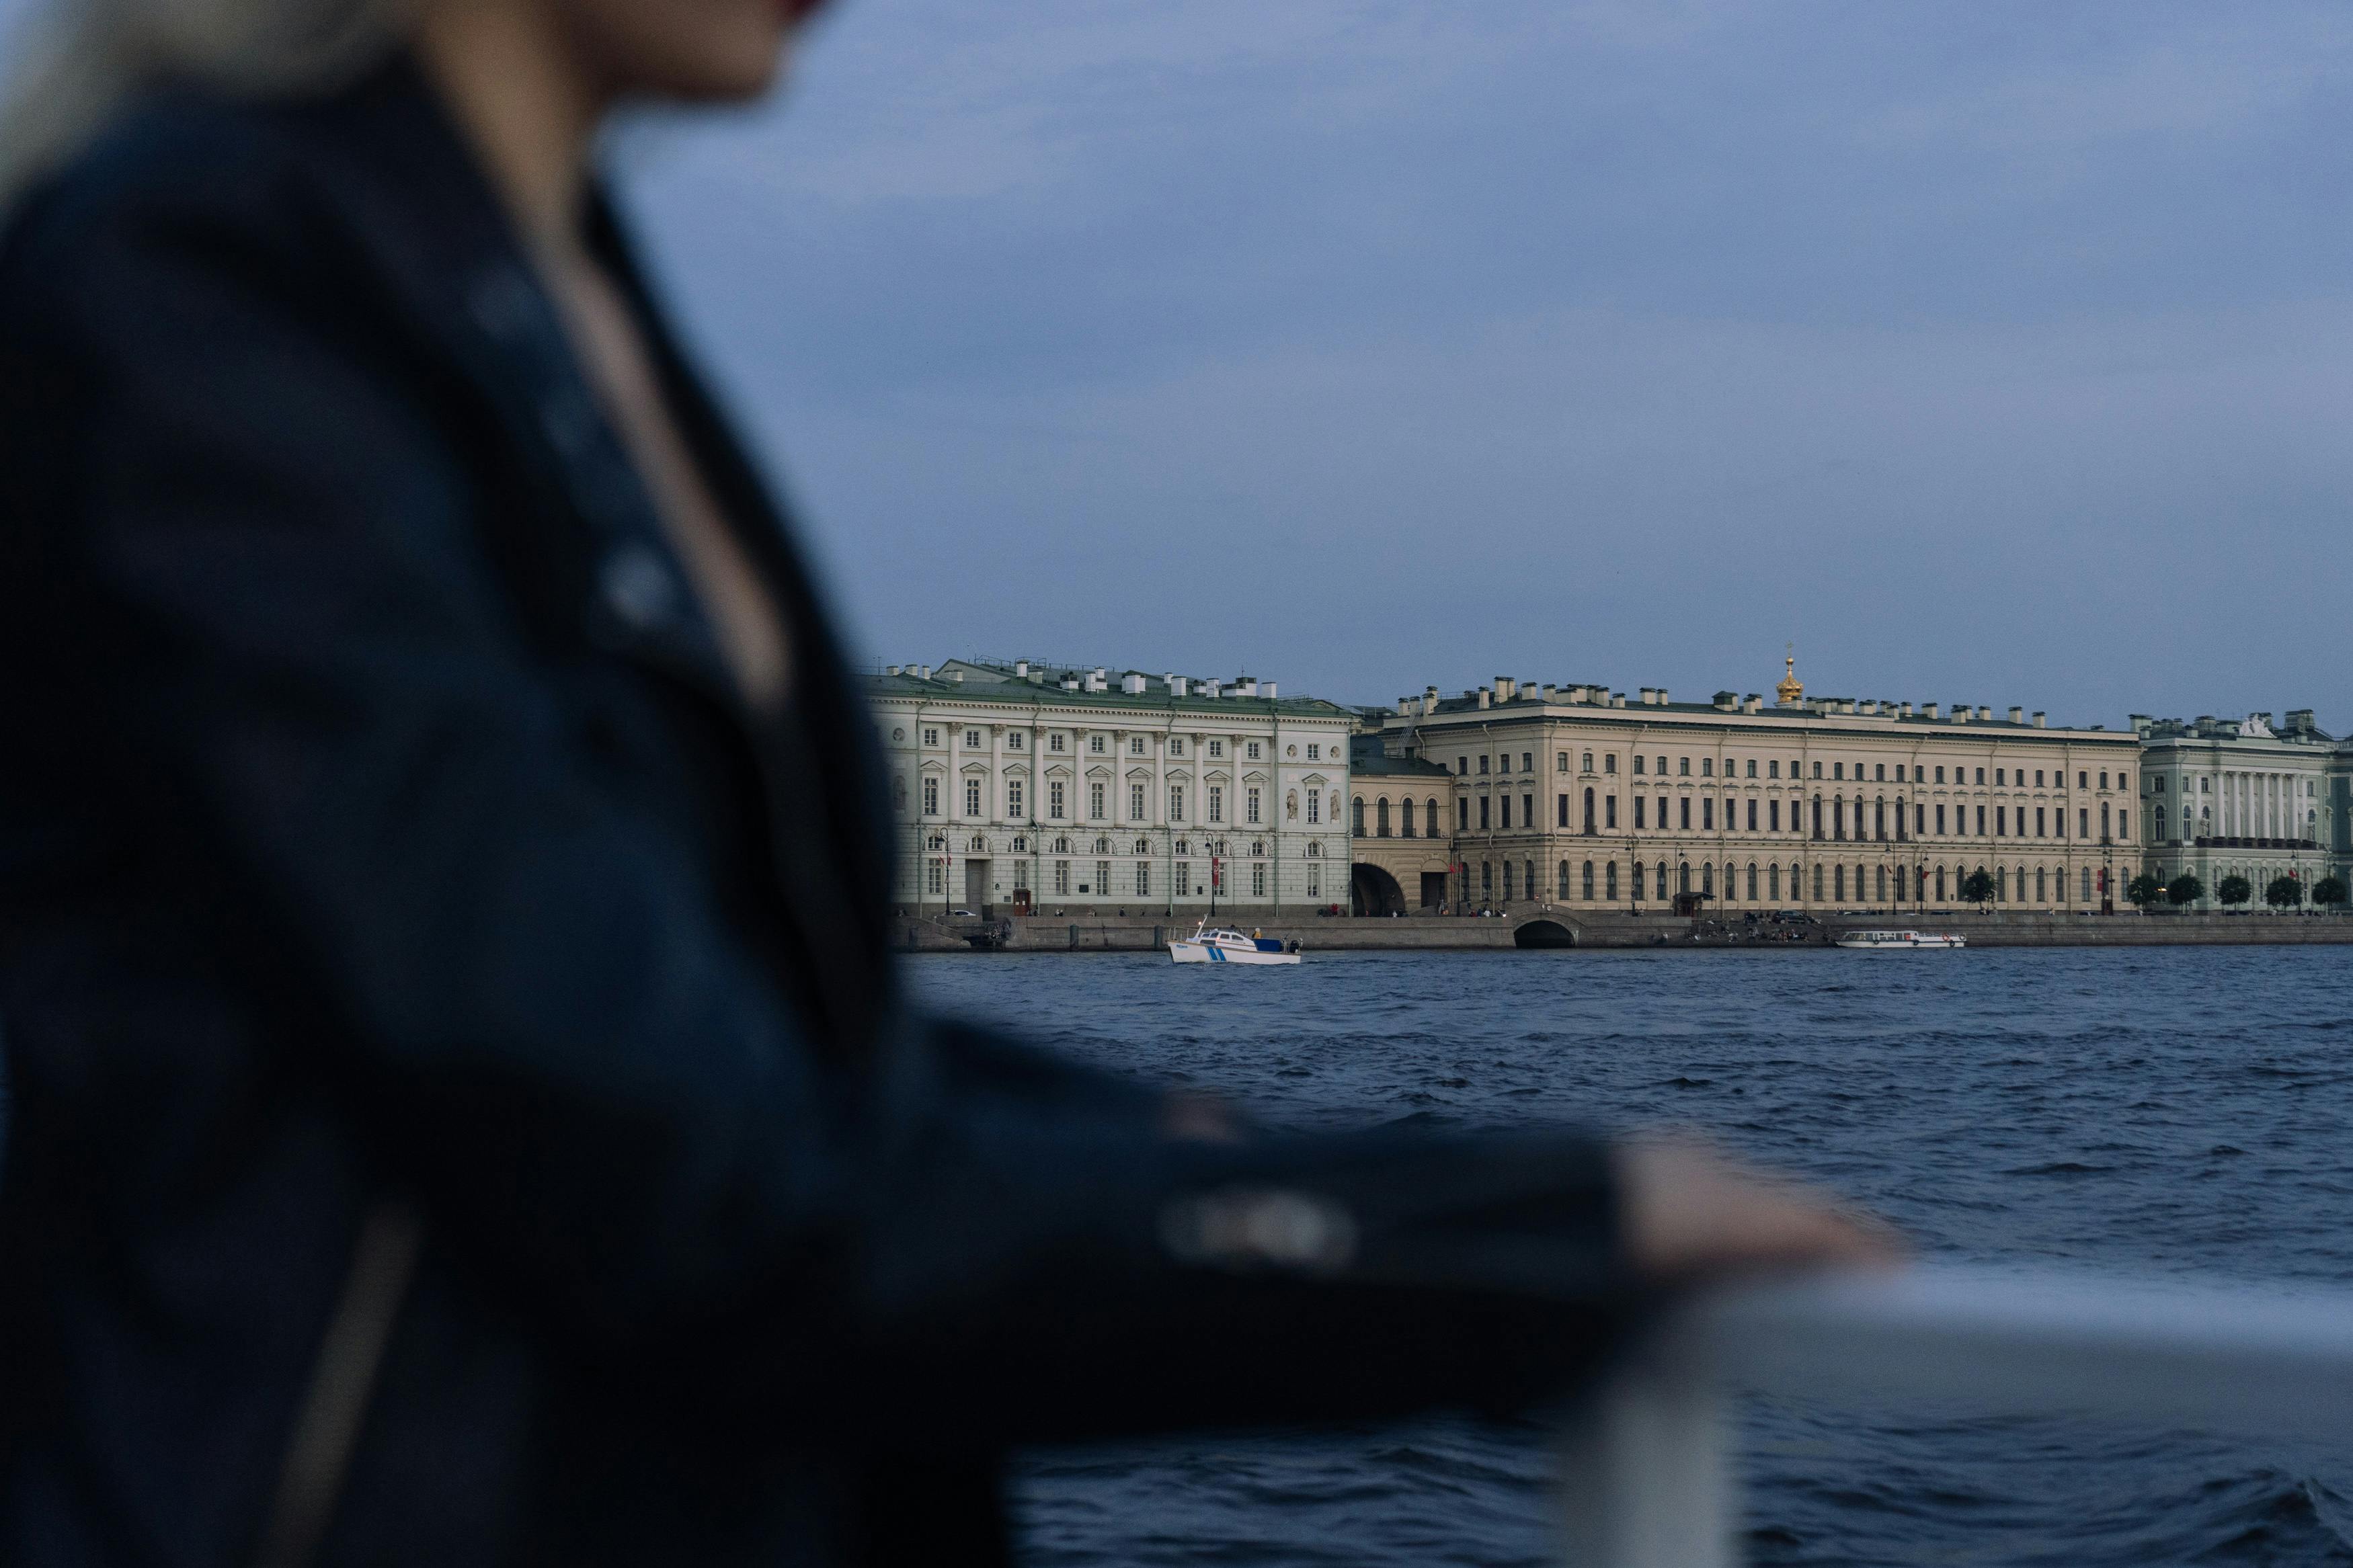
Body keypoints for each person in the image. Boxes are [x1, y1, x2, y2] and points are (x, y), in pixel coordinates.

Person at [0, 2, 1893, 1565]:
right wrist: (1509, 1227)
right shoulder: (211, 283)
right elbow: (663, 1166)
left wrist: (1169, 1134)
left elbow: (694, 1013)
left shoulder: (524, 292)